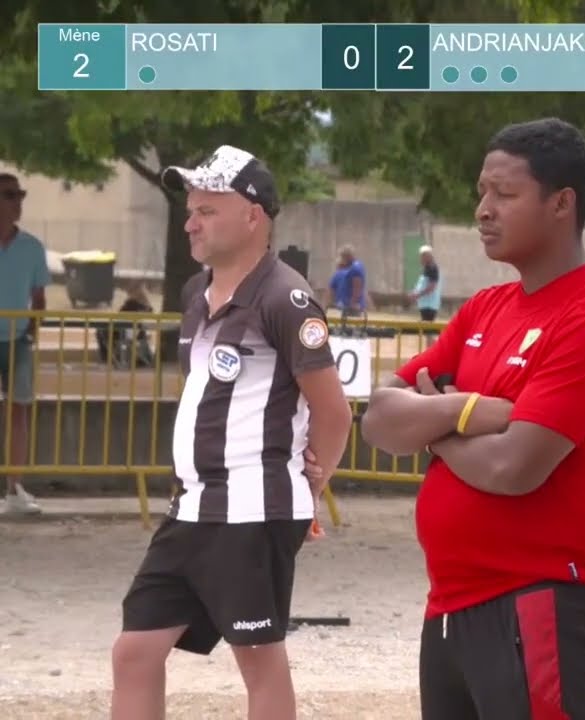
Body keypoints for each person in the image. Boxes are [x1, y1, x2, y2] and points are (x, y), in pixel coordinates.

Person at [360, 118, 585, 719]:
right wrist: (464, 410)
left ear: (562, 203)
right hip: (449, 604)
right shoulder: (486, 307)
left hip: (536, 597)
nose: (484, 209)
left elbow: (516, 467)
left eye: (504, 194)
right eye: (482, 192)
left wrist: (433, 428)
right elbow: (379, 418)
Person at [109, 145, 354, 720]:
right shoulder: (197, 294)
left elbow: (333, 411)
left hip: (252, 508)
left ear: (253, 214)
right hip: (192, 506)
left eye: (207, 209)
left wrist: (310, 488)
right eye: (189, 209)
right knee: (135, 650)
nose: (190, 221)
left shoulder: (285, 297)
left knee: (257, 657)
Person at [0, 172, 48, 515]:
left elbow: (39, 297)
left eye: (19, 195)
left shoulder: (31, 247)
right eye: (9, 195)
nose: (17, 202)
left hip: (17, 340)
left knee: (18, 413)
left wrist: (31, 331)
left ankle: (14, 487)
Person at [327, 244, 367, 318]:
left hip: (352, 309)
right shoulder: (354, 268)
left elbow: (357, 287)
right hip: (346, 307)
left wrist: (353, 304)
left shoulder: (356, 268)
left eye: (343, 257)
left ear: (347, 257)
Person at [410, 244, 443, 322]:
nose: (421, 258)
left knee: (427, 329)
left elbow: (432, 286)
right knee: (425, 328)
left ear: (429, 256)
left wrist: (418, 295)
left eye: (424, 256)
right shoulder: (427, 268)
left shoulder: (432, 268)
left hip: (429, 305)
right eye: (421, 256)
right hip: (425, 304)